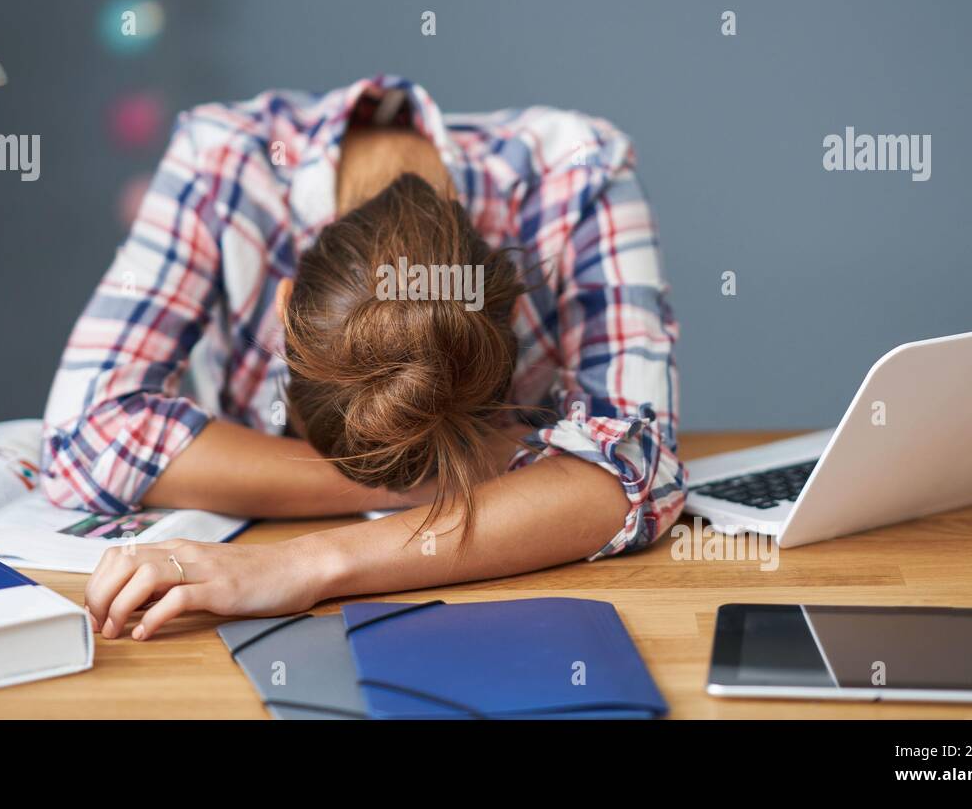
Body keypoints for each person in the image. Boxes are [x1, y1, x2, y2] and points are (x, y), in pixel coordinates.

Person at [41, 76, 686, 640]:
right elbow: (84, 438)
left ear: (507, 309)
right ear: (287, 306)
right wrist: (468, 467)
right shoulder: (221, 161)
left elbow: (637, 467)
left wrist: (305, 564)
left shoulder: (581, 172)